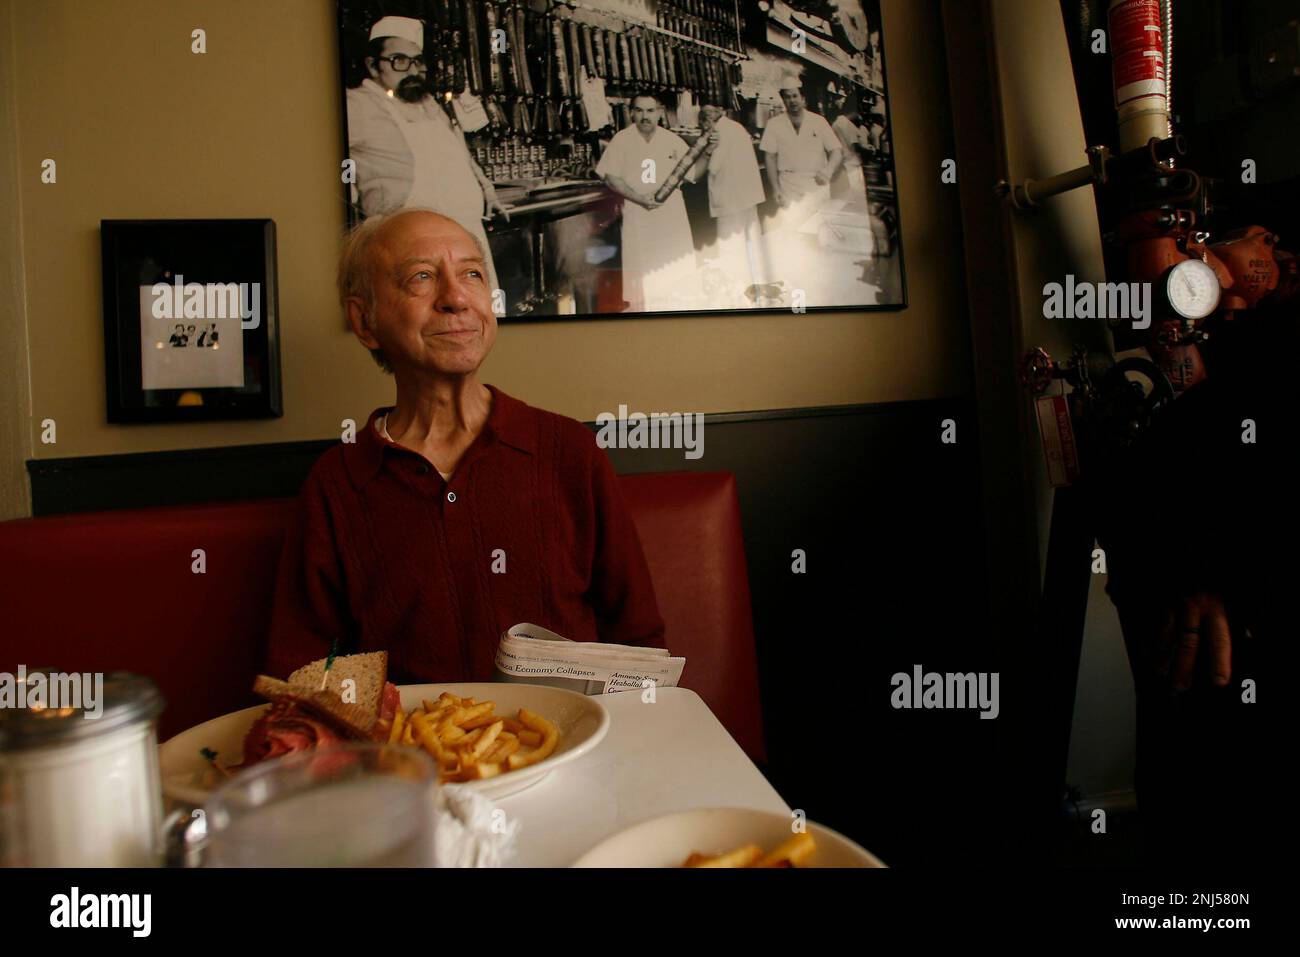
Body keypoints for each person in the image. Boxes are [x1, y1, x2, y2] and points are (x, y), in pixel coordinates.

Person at [265, 209, 665, 682]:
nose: (455, 298)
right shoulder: (337, 483)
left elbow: (638, 641)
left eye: (472, 274)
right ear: (364, 320)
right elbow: (306, 674)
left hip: (575, 744)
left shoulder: (568, 451)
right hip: (411, 754)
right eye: (421, 278)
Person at [345, 15, 507, 291]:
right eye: (399, 60)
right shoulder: (356, 105)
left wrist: (488, 192)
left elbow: (462, 156)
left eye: (418, 61)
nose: (412, 70)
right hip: (410, 251)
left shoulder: (428, 104)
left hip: (467, 238)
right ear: (373, 66)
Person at [596, 94, 701, 312]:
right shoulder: (622, 139)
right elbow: (610, 177)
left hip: (671, 213)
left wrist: (708, 152)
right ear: (632, 112)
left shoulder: (671, 140)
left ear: (660, 112)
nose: (645, 116)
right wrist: (640, 198)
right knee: (642, 277)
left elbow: (693, 173)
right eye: (640, 110)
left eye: (650, 111)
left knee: (674, 272)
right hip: (638, 211)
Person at [694, 100, 773, 307]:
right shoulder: (736, 127)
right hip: (747, 198)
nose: (703, 129)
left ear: (707, 121)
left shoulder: (719, 133)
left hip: (730, 200)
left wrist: (705, 152)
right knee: (751, 247)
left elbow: (713, 167)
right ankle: (756, 293)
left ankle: (737, 298)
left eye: (702, 125)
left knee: (731, 250)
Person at [760, 75, 842, 235]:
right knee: (793, 234)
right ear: (783, 100)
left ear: (803, 98)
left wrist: (828, 171)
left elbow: (836, 151)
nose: (792, 100)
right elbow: (769, 157)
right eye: (787, 97)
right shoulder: (774, 124)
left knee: (820, 233)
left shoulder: (819, 121)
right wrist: (776, 189)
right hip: (789, 186)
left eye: (795, 95)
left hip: (816, 185)